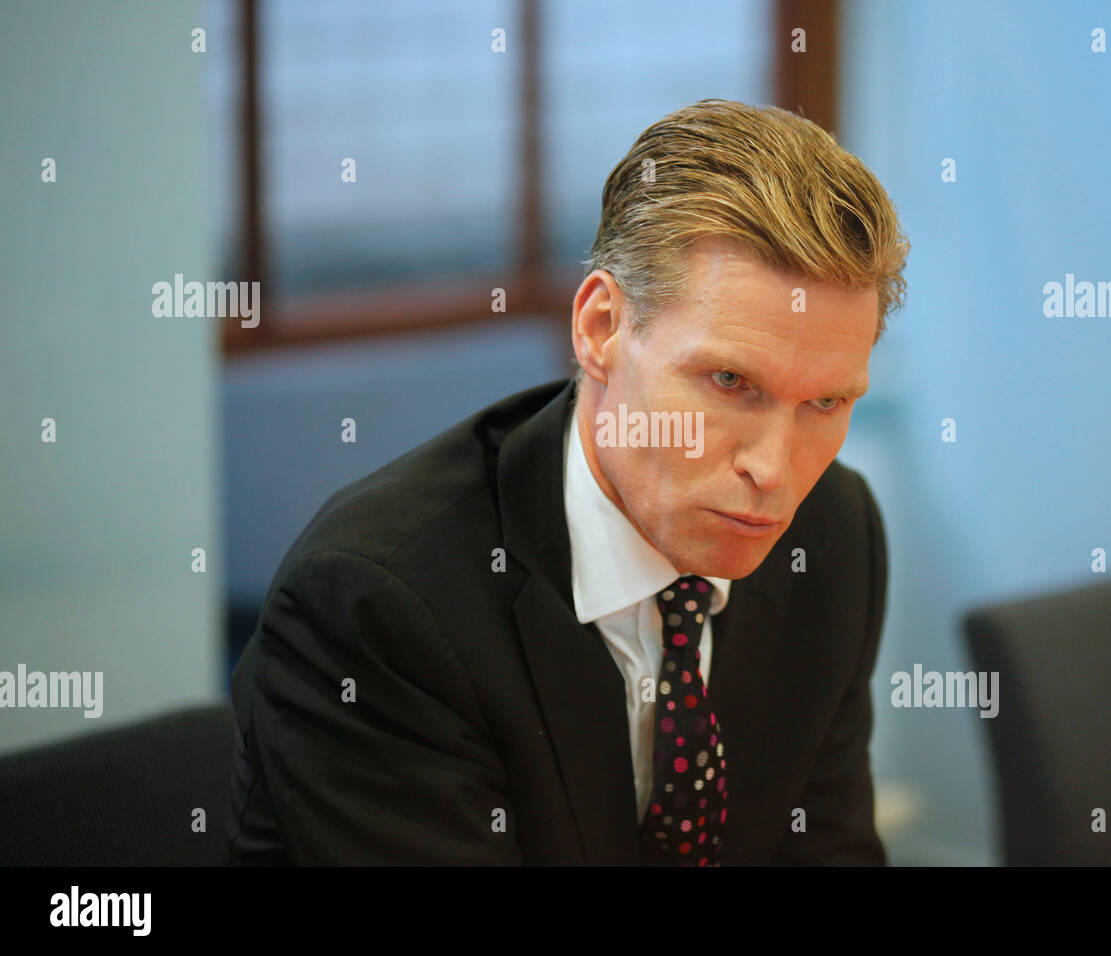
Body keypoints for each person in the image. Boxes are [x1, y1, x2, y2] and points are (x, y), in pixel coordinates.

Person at [225, 98, 909, 865]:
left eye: (825, 402)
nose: (775, 471)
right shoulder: (380, 603)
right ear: (600, 330)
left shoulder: (832, 534)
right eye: (727, 381)